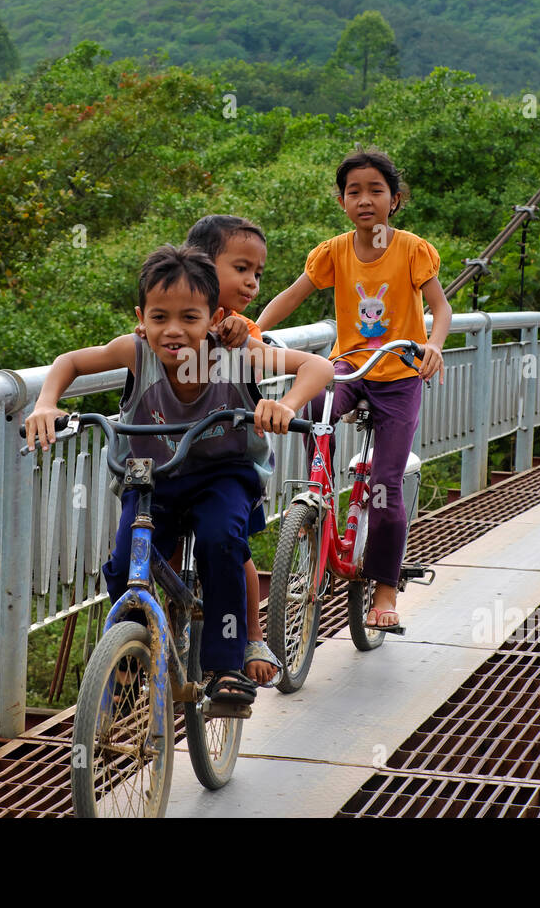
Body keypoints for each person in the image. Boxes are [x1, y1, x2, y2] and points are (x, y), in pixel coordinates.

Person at [26, 244, 333, 707]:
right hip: (153, 475)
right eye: (159, 317)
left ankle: (226, 665)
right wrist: (46, 402)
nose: (173, 331)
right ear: (141, 318)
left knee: (221, 542)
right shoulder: (134, 352)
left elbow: (318, 365)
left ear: (214, 318)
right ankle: (131, 654)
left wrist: (284, 405)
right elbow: (69, 362)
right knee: (128, 560)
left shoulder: (237, 353)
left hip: (222, 473)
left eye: (190, 318)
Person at [256, 147, 451, 633]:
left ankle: (384, 589)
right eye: (354, 191)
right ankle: (319, 493)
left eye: (375, 190)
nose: (365, 200)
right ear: (342, 200)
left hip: (400, 375)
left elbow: (440, 309)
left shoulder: (412, 249)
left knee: (385, 486)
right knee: (317, 399)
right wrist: (252, 332)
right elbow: (293, 295)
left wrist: (434, 345)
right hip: (350, 367)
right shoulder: (334, 252)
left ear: (395, 199)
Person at [136, 215, 279, 685]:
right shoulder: (168, 317)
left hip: (227, 463)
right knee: (159, 549)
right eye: (241, 269)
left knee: (229, 547)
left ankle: (248, 638)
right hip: (173, 465)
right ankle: (168, 630)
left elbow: (259, 352)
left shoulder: (239, 331)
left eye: (257, 272)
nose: (251, 282)